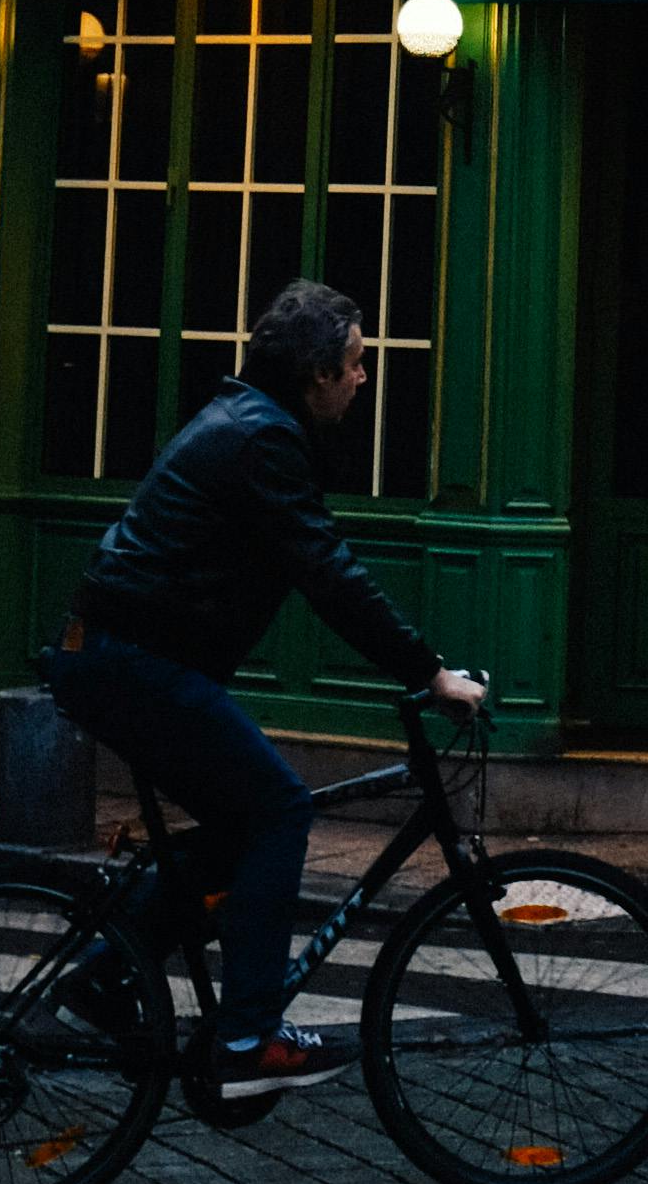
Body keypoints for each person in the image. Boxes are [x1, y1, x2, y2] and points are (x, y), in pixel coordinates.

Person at [47, 274, 485, 1083]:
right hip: (130, 661)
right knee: (280, 808)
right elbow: (330, 576)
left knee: (241, 829)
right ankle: (249, 1040)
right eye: (354, 363)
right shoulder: (261, 439)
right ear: (317, 373)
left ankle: (108, 973)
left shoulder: (252, 423)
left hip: (119, 657)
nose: (362, 376)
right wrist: (430, 675)